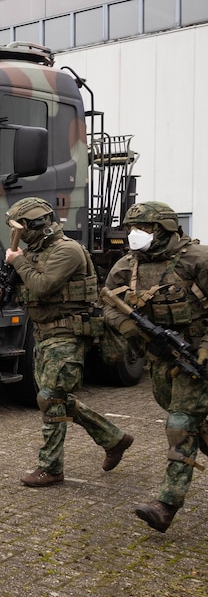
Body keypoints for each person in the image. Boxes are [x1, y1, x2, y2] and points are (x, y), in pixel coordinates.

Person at [4, 197, 133, 488]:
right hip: (45, 333)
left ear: (35, 224)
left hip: (68, 333)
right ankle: (114, 439)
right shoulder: (37, 252)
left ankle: (50, 468)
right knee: (57, 397)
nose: (19, 234)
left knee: (50, 397)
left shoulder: (67, 250)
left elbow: (42, 285)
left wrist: (18, 260)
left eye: (20, 227)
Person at [102, 201, 208, 532]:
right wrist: (126, 326)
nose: (133, 235)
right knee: (190, 423)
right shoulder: (125, 265)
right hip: (160, 360)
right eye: (131, 228)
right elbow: (107, 302)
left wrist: (205, 347)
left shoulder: (198, 260)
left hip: (197, 356)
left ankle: (166, 505)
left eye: (142, 229)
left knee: (180, 424)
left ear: (162, 230)